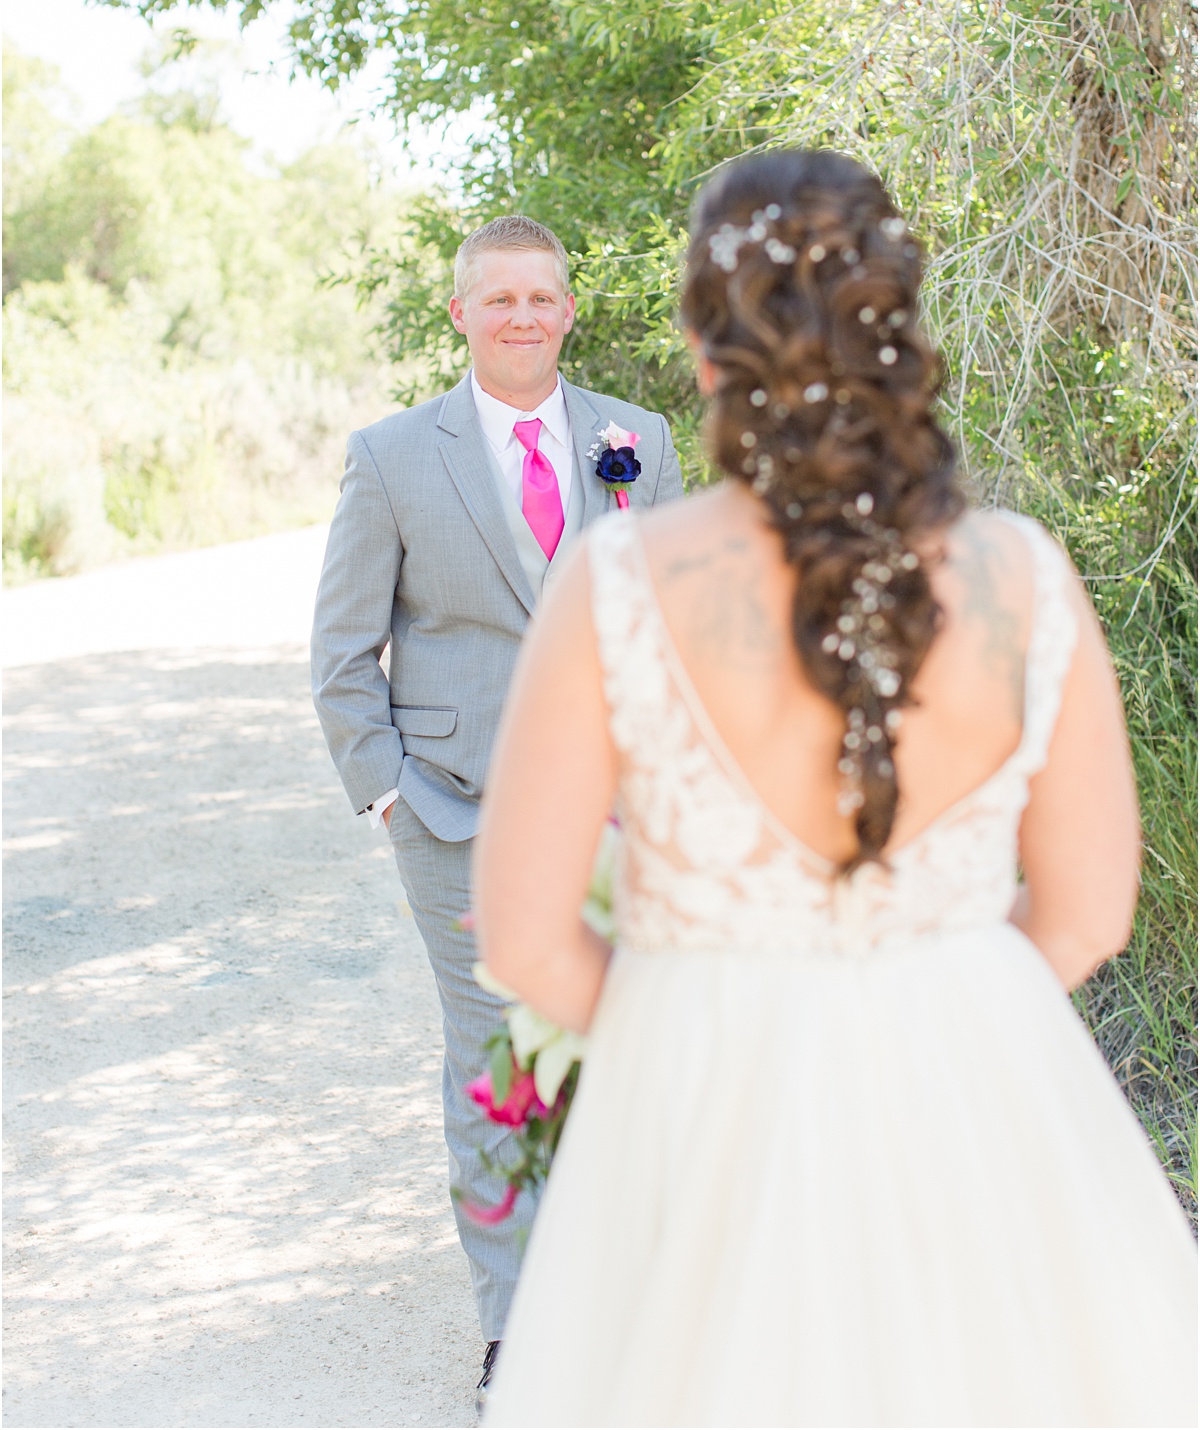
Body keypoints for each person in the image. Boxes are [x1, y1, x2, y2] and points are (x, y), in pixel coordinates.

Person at [473, 152, 1196, 1427]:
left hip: (702, 1112)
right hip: (979, 1086)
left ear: (705, 350)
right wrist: (933, 998)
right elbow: (1088, 915)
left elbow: (527, 934)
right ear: (898, 329)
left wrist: (686, 1017)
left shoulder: (618, 581)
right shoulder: (1025, 574)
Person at [309, 215, 683, 1400]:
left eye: (542, 296)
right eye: (499, 298)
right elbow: (340, 650)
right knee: (494, 1064)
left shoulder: (642, 440)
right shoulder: (391, 455)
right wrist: (388, 793)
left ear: (571, 309)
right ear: (461, 314)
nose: (523, 315)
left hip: (617, 821)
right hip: (457, 814)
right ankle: (518, 1330)